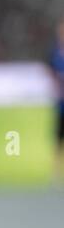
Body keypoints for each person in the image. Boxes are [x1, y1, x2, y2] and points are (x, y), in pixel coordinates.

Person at [50, 20, 64, 185]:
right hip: (61, 104)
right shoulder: (54, 53)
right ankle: (55, 172)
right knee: (58, 139)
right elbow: (50, 73)